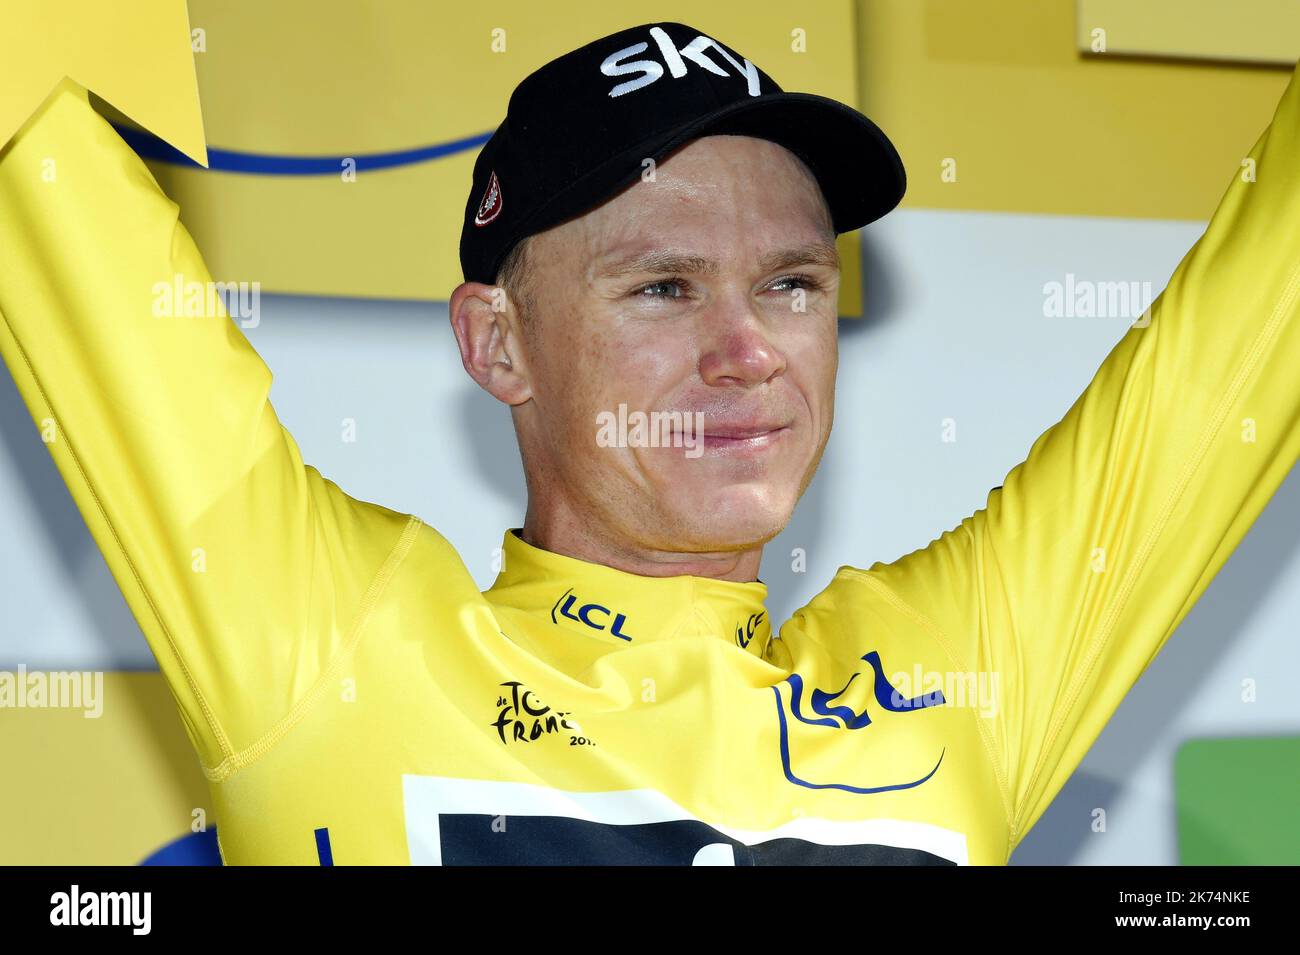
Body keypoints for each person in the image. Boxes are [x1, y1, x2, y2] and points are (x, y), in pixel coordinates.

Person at [2, 21, 1297, 865]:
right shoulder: (329, 647)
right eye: (664, 287)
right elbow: (45, 163)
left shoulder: (953, 675)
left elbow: (1257, 322)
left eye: (792, 282)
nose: (750, 353)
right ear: (498, 344)